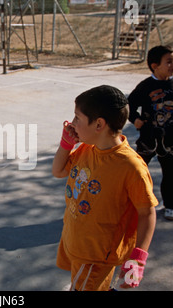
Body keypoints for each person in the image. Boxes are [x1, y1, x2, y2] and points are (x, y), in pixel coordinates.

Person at [52, 85, 158, 291]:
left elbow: (147, 212)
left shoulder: (131, 166)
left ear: (99, 124)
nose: (73, 123)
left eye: (77, 118)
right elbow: (58, 171)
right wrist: (66, 144)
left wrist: (138, 258)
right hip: (75, 241)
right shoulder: (86, 149)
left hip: (97, 255)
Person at [128, 45, 173, 221]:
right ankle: (131, 200)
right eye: (168, 61)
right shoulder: (146, 86)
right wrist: (136, 119)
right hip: (149, 137)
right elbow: (129, 104)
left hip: (172, 140)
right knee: (137, 170)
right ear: (155, 65)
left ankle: (171, 204)